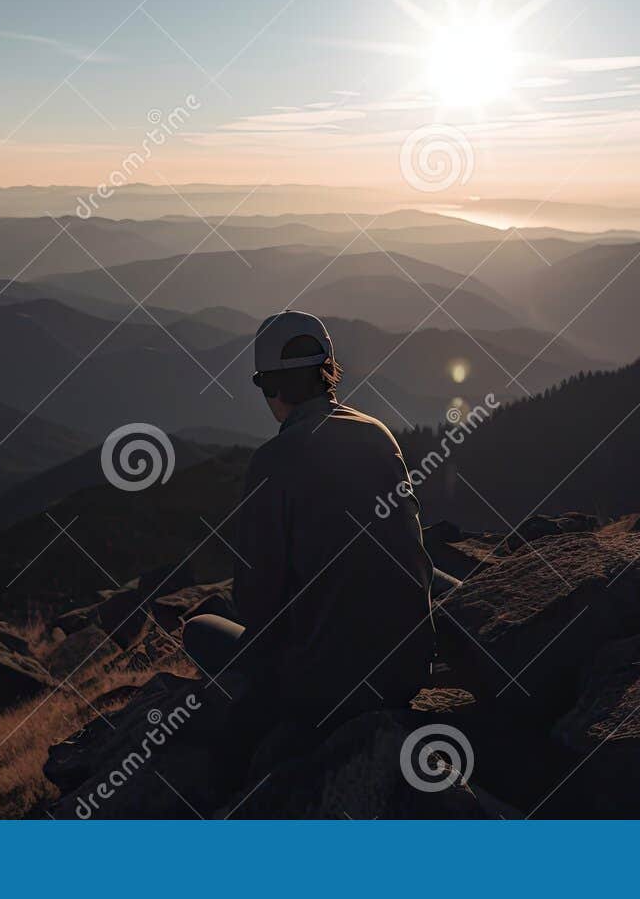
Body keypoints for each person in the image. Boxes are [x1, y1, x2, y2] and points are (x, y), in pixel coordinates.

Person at [182, 310, 454, 735]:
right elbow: (411, 558)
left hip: (325, 691)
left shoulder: (272, 462)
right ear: (328, 371)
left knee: (201, 631)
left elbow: (257, 605)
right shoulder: (378, 434)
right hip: (407, 672)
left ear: (270, 384)